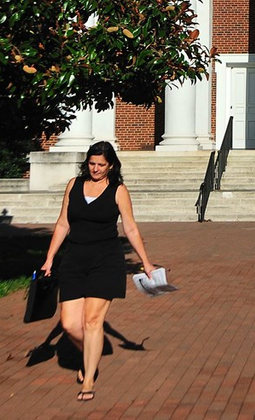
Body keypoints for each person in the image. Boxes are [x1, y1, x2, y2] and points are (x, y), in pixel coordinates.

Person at [40, 141, 156, 403]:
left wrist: (146, 262)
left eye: (101, 165)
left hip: (106, 261)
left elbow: (131, 228)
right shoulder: (74, 185)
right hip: (74, 259)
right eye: (91, 164)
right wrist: (49, 258)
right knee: (70, 325)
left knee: (92, 321)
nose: (95, 169)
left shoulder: (118, 190)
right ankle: (91, 353)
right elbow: (62, 223)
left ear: (110, 165)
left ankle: (89, 378)